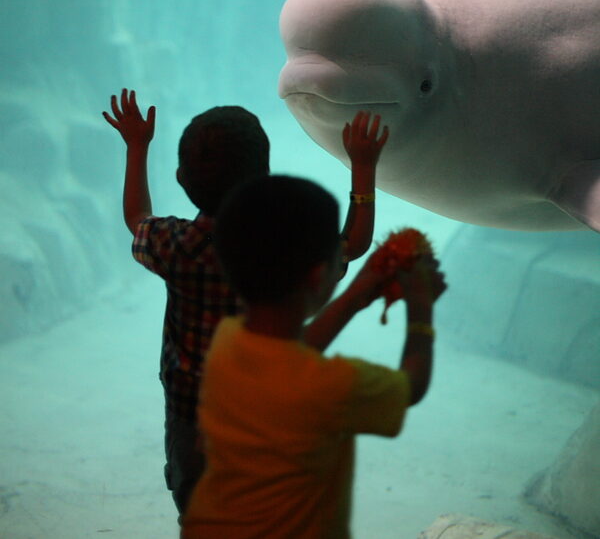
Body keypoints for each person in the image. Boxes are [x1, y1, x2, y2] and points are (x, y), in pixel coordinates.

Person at [102, 88, 389, 517]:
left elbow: (136, 217)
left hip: (191, 420)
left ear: (182, 178)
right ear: (265, 180)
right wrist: (363, 169)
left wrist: (137, 147)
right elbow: (354, 242)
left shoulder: (175, 245)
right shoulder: (284, 250)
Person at [181, 174, 447, 539]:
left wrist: (355, 296)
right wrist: (422, 306)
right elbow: (411, 386)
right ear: (321, 274)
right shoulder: (331, 386)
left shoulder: (227, 342)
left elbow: (290, 353)